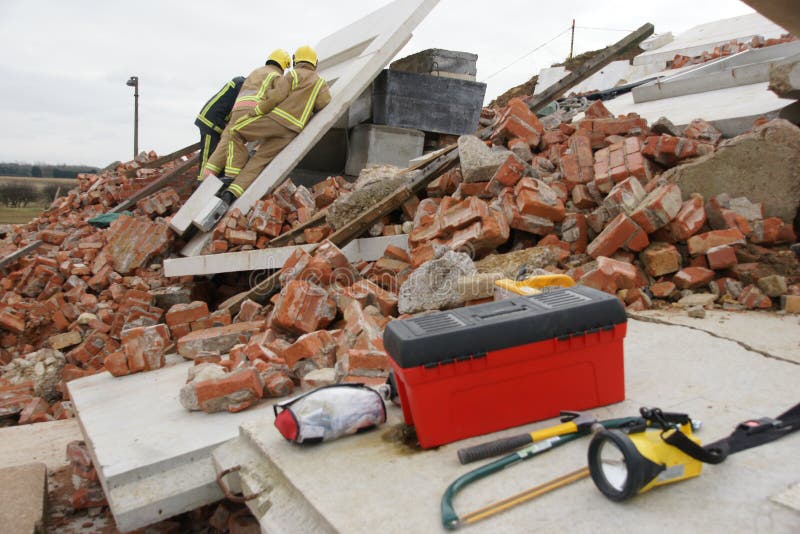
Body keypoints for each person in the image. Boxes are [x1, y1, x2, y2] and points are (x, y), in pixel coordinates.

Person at [218, 45, 331, 205]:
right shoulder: (320, 83)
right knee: (260, 160)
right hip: (292, 131)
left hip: (275, 120)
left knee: (235, 131)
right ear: (314, 63)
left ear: (295, 60)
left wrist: (256, 111)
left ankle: (231, 176)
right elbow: (323, 102)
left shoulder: (293, 74)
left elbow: (275, 97)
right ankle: (232, 193)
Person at [199, 49, 292, 185]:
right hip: (253, 109)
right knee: (266, 132)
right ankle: (231, 177)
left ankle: (205, 178)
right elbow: (278, 97)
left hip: (237, 110)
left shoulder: (255, 72)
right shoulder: (276, 75)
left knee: (226, 142)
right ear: (284, 64)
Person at [194, 76, 244, 178]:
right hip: (210, 123)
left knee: (215, 158)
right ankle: (201, 186)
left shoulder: (240, 82)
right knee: (207, 158)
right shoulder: (242, 85)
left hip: (215, 123)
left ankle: (211, 184)